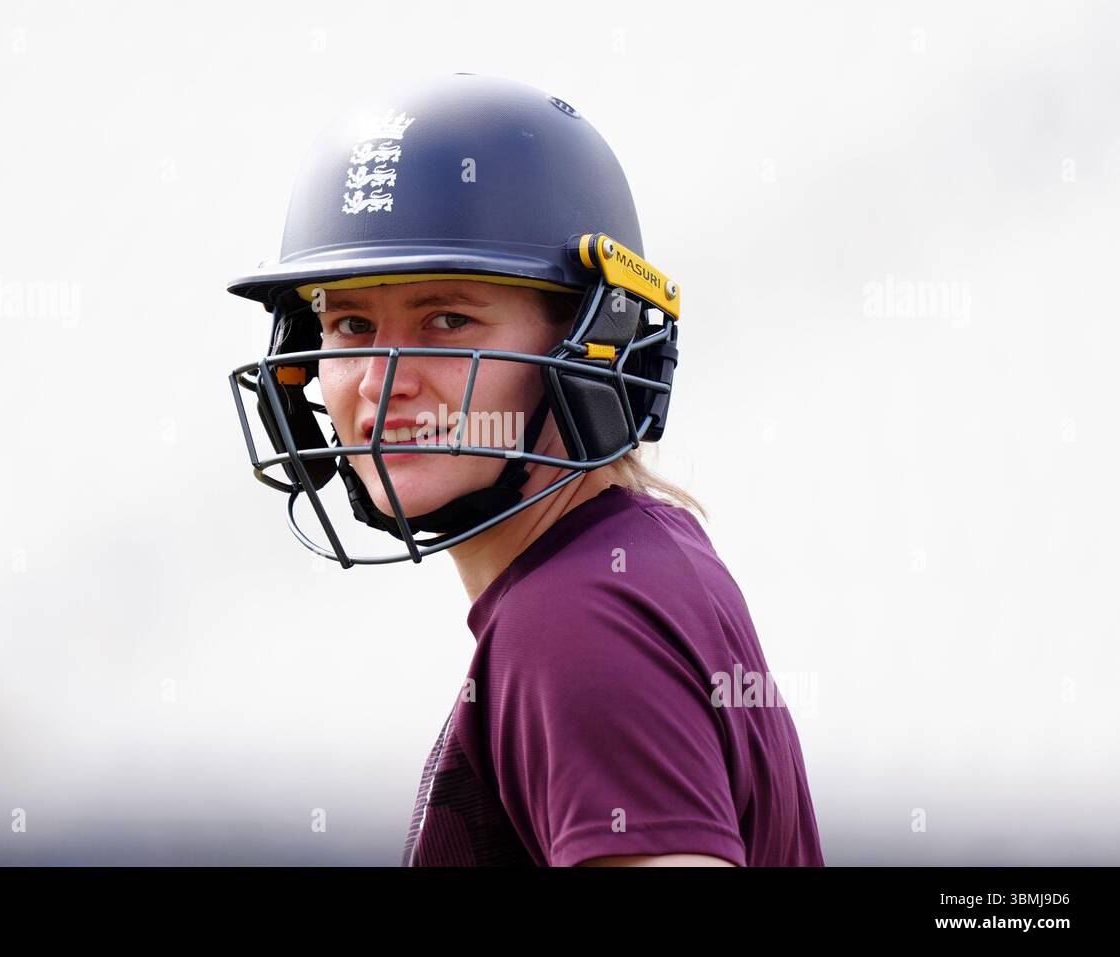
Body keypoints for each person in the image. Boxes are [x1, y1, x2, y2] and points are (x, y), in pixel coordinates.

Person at [226, 73, 825, 866]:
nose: (381, 379)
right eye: (349, 324)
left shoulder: (577, 621)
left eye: (448, 319)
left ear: (591, 345)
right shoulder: (629, 567)